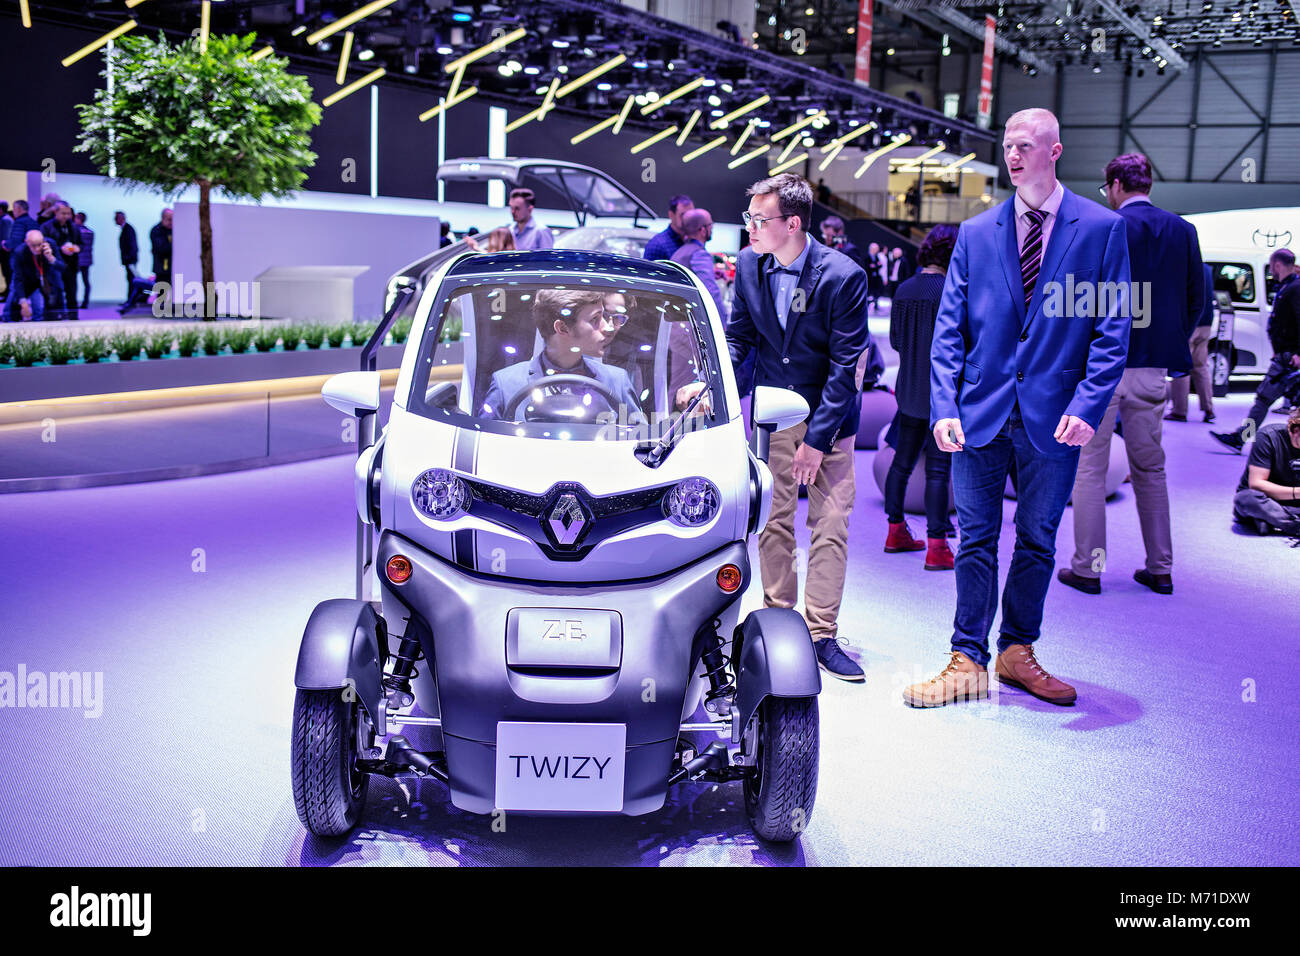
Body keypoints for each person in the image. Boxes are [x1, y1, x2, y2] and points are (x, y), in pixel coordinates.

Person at [906, 107, 1131, 709]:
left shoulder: (1103, 229)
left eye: (1025, 145)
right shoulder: (978, 233)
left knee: (1037, 539)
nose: (1012, 155)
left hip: (1056, 417)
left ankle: (1017, 650)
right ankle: (966, 657)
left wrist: (1090, 403)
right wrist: (944, 404)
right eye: (1007, 145)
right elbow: (949, 328)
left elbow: (1113, 330)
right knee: (976, 537)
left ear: (1055, 151)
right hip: (980, 412)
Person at [690, 172, 873, 682]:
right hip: (772, 416)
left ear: (792, 224)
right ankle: (779, 620)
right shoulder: (749, 265)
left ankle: (821, 635)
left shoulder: (843, 276)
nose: (749, 226)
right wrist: (711, 382)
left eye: (759, 218)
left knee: (830, 526)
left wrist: (818, 441)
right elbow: (740, 338)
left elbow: (845, 367)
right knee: (773, 522)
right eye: (750, 217)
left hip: (830, 420)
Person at [1060, 152, 1204, 597]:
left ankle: (1088, 568)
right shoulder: (1183, 231)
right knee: (1150, 469)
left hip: (1101, 368)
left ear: (1117, 185)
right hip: (1153, 367)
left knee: (1090, 468)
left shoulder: (1103, 225)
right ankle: (1160, 568)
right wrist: (1168, 339)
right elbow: (1197, 299)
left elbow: (1081, 300)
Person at [883, 223, 958, 570]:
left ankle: (895, 529)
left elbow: (896, 341)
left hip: (908, 389)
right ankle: (937, 545)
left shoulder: (904, 289)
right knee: (939, 471)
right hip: (942, 393)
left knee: (902, 462)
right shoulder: (953, 290)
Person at [479, 289, 640, 422]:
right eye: (595, 319)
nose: (608, 328)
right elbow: (484, 446)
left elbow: (640, 444)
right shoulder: (506, 384)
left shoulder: (618, 381)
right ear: (562, 328)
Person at [1212, 248, 1300, 452]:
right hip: (1285, 356)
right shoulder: (1289, 287)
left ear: (1277, 265)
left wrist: (1297, 352)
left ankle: (1241, 437)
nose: (1272, 271)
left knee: (1263, 399)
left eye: (1272, 266)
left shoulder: (1294, 288)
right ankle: (1242, 437)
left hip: (1288, 359)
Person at [1231, 407, 1300, 538]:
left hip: (1292, 505)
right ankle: (1290, 522)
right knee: (1246, 499)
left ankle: (1273, 520)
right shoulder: (1268, 436)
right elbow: (1256, 484)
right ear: (1296, 430)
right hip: (1268, 499)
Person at [1168, 262, 1217, 423]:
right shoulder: (1207, 270)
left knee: (1181, 366)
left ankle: (1179, 411)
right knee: (1201, 367)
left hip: (1189, 324)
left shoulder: (1183, 267)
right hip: (1206, 324)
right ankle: (1208, 408)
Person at [669, 208, 727, 319]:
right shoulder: (699, 254)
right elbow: (710, 291)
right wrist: (721, 321)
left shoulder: (679, 252)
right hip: (691, 320)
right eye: (710, 224)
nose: (712, 227)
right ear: (702, 230)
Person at [2, 230, 65, 323]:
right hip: (27, 280)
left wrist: (50, 257)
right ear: (26, 242)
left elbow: (62, 267)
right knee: (13, 300)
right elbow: (18, 279)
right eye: (33, 245)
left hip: (46, 280)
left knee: (41, 309)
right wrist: (23, 303)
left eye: (39, 244)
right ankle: (7, 317)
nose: (36, 249)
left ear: (43, 241)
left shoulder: (51, 244)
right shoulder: (20, 252)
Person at [40, 202, 81, 320]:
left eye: (68, 213)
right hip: (54, 266)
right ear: (55, 212)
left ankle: (74, 318)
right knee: (55, 293)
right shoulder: (46, 227)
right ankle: (54, 318)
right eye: (63, 213)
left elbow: (81, 243)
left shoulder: (73, 227)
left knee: (71, 293)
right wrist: (60, 249)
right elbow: (43, 245)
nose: (66, 216)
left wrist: (77, 248)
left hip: (71, 265)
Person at [643, 194, 694, 261]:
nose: (688, 219)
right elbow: (648, 270)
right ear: (671, 215)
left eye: (691, 214)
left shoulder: (692, 239)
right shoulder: (657, 245)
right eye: (683, 215)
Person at [115, 211, 138, 301]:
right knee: (130, 279)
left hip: (130, 260)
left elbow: (132, 245)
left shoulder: (128, 229)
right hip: (129, 260)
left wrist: (129, 258)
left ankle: (131, 300)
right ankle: (130, 299)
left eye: (116, 218)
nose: (115, 220)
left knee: (132, 280)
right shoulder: (126, 229)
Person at [74, 212, 94, 309]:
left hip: (78, 259)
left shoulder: (76, 231)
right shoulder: (90, 232)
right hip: (87, 260)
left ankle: (74, 301)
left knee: (73, 282)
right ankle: (85, 302)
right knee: (86, 282)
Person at [865, 240, 885, 311]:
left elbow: (879, 265)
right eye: (875, 249)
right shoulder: (867, 257)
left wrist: (874, 266)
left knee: (876, 292)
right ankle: (866, 304)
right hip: (869, 278)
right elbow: (867, 267)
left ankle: (875, 304)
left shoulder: (876, 257)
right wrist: (875, 266)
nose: (877, 250)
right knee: (868, 292)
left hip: (876, 278)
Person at [0, 202, 12, 295]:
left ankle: (9, 292)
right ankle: (7, 291)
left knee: (7, 271)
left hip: (5, 250)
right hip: (4, 249)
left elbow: (5, 236)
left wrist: (4, 246)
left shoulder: (6, 220)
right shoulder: (4, 219)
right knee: (5, 271)